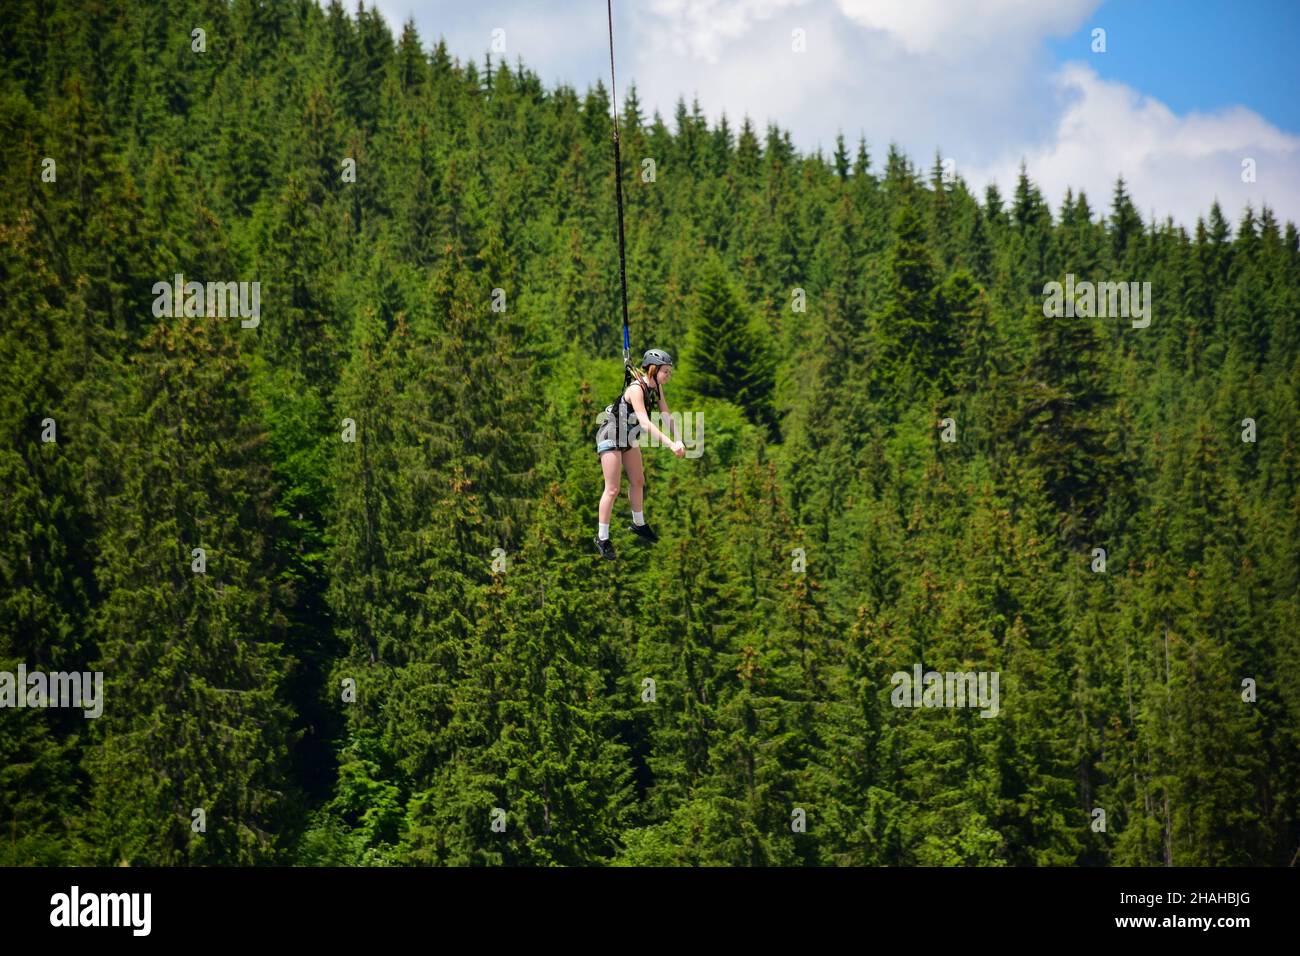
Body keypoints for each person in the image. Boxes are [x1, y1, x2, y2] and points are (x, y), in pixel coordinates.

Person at [593, 348, 685, 559]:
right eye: (665, 371)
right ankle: (602, 537)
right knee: (612, 488)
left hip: (629, 436)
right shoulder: (636, 389)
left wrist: (679, 438)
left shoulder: (657, 389)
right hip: (612, 434)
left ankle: (638, 523)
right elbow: (645, 421)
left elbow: (666, 415)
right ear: (653, 369)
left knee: (638, 480)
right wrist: (671, 444)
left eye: (669, 372)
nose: (668, 375)